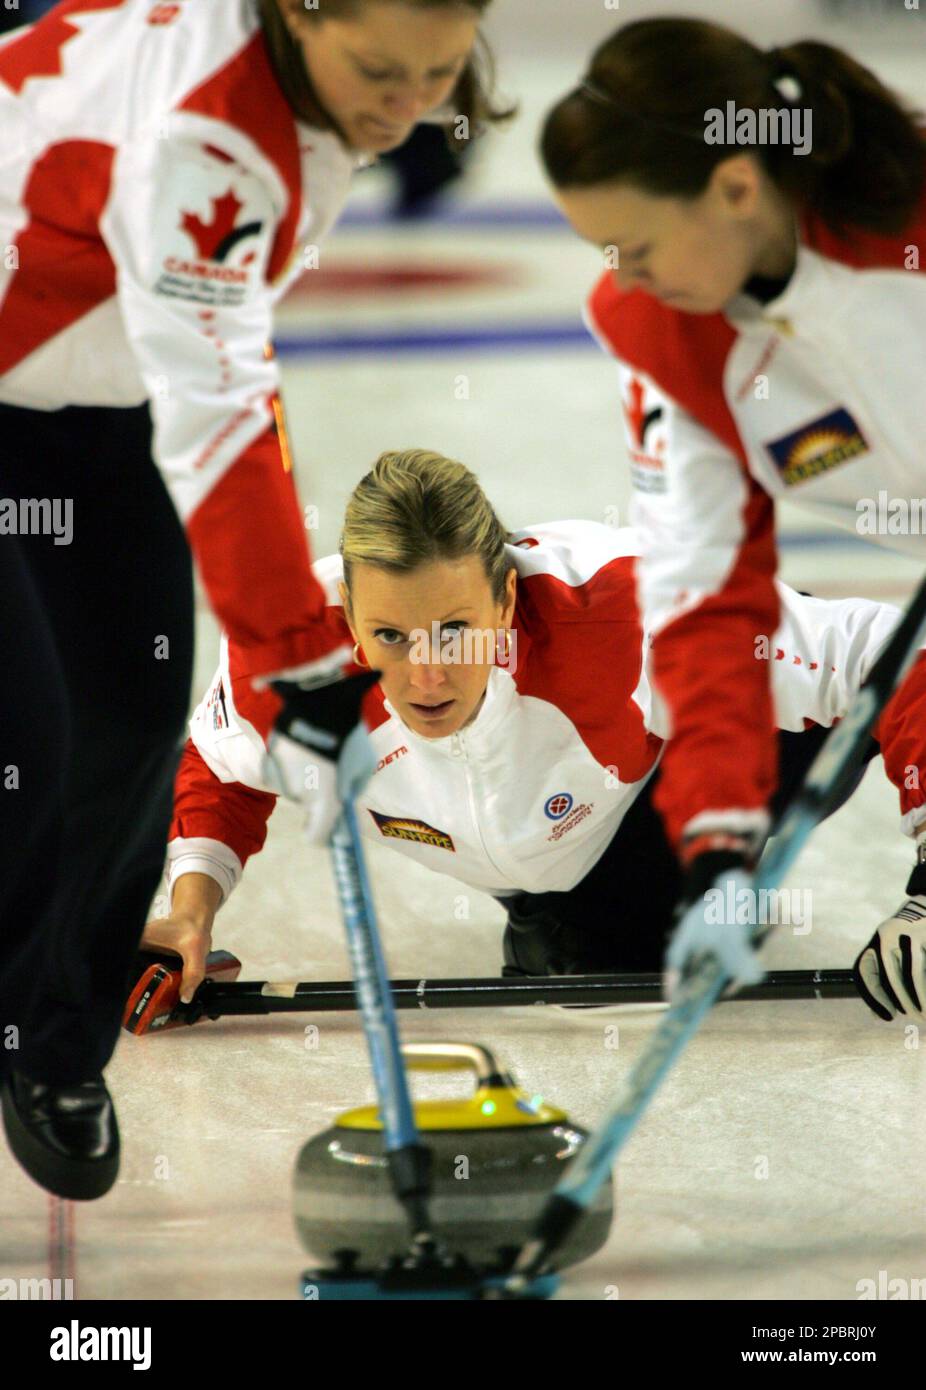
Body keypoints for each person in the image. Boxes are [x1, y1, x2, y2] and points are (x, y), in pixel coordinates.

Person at [0, 0, 507, 1200]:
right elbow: (218, 408)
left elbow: (229, 366)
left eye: (436, 72)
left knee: (127, 714)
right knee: (22, 731)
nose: (406, 100)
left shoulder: (316, 77)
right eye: (380, 70)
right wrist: (298, 660)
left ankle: (54, 1043)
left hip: (92, 382)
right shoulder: (208, 137)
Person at [142, 449, 926, 1026]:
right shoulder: (287, 660)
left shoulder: (627, 611)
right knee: (591, 961)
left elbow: (890, 653)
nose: (426, 676)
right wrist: (190, 910)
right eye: (390, 634)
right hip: (560, 849)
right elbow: (220, 769)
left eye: (456, 631)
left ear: (508, 597)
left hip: (714, 749)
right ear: (346, 613)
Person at [538, 17, 926, 990]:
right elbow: (706, 601)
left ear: (735, 186)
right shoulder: (664, 337)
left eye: (632, 243)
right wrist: (714, 852)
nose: (619, 278)